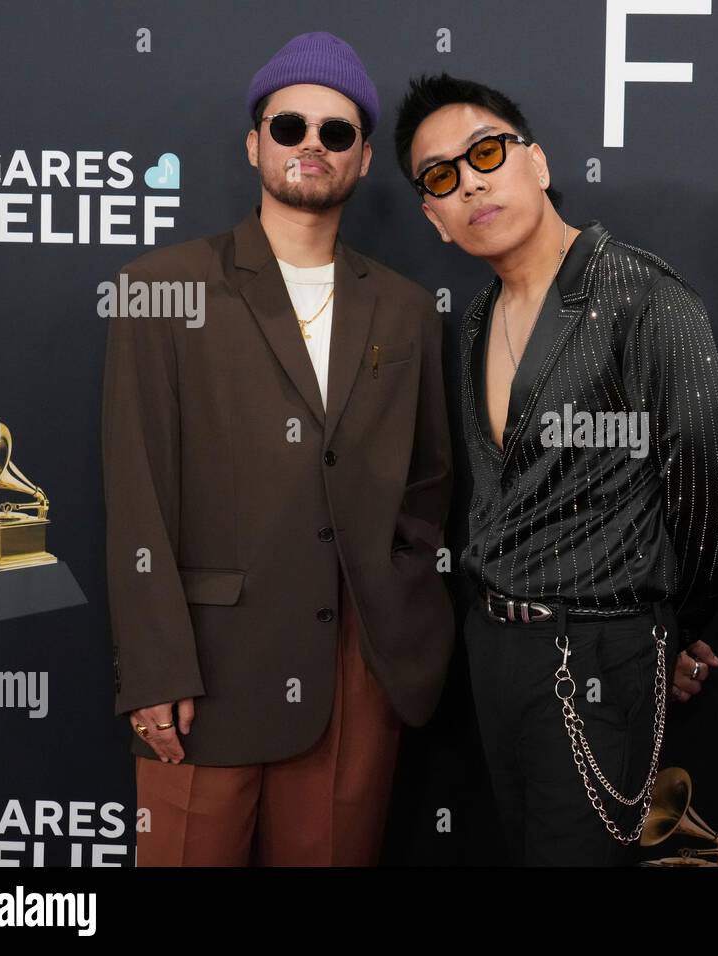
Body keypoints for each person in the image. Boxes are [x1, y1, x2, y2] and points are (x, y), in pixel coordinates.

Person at [102, 32, 455, 866]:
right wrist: (154, 667)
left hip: (356, 672)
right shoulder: (164, 287)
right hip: (205, 671)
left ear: (364, 157)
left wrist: (398, 616)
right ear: (254, 141)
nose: (310, 145)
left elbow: (430, 482)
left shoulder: (406, 309)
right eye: (288, 124)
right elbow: (136, 488)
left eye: (336, 132)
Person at [393, 73, 718, 865]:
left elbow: (707, 492)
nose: (470, 180)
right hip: (494, 648)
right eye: (441, 176)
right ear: (434, 218)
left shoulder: (642, 296)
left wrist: (668, 630)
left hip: (600, 650)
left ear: (538, 163)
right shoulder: (478, 317)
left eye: (486, 152)